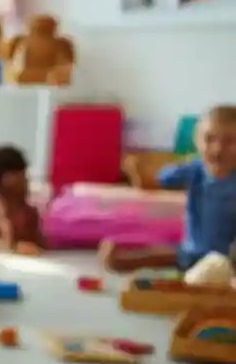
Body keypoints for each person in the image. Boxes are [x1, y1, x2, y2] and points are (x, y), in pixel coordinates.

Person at [100, 104, 236, 273]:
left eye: (230, 141)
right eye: (209, 139)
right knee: (162, 253)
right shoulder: (195, 169)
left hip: (228, 259)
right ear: (197, 142)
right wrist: (143, 175)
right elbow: (161, 179)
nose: (218, 149)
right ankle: (124, 261)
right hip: (191, 252)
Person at [0, 145, 45, 254]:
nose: (27, 181)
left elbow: (43, 250)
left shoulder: (29, 214)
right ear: (6, 178)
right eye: (23, 175)